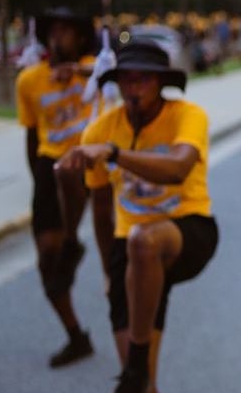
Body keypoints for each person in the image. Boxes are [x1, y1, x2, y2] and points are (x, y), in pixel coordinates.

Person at [56, 39, 218, 393]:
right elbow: (101, 209)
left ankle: (136, 364)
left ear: (160, 82)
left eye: (144, 79)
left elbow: (178, 169)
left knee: (143, 242)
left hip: (186, 230)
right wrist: (107, 271)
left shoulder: (188, 115)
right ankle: (140, 374)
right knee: (143, 388)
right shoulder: (100, 130)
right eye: (127, 79)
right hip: (128, 246)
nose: (134, 88)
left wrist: (115, 154)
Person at [15, 7, 97, 368]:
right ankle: (76, 336)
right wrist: (37, 179)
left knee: (70, 174)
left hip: (87, 160)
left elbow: (114, 72)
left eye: (66, 30)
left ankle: (73, 238)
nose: (57, 36)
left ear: (80, 37)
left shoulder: (93, 68)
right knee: (48, 264)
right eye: (53, 30)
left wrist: (77, 70)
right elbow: (31, 134)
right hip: (49, 163)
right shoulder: (29, 81)